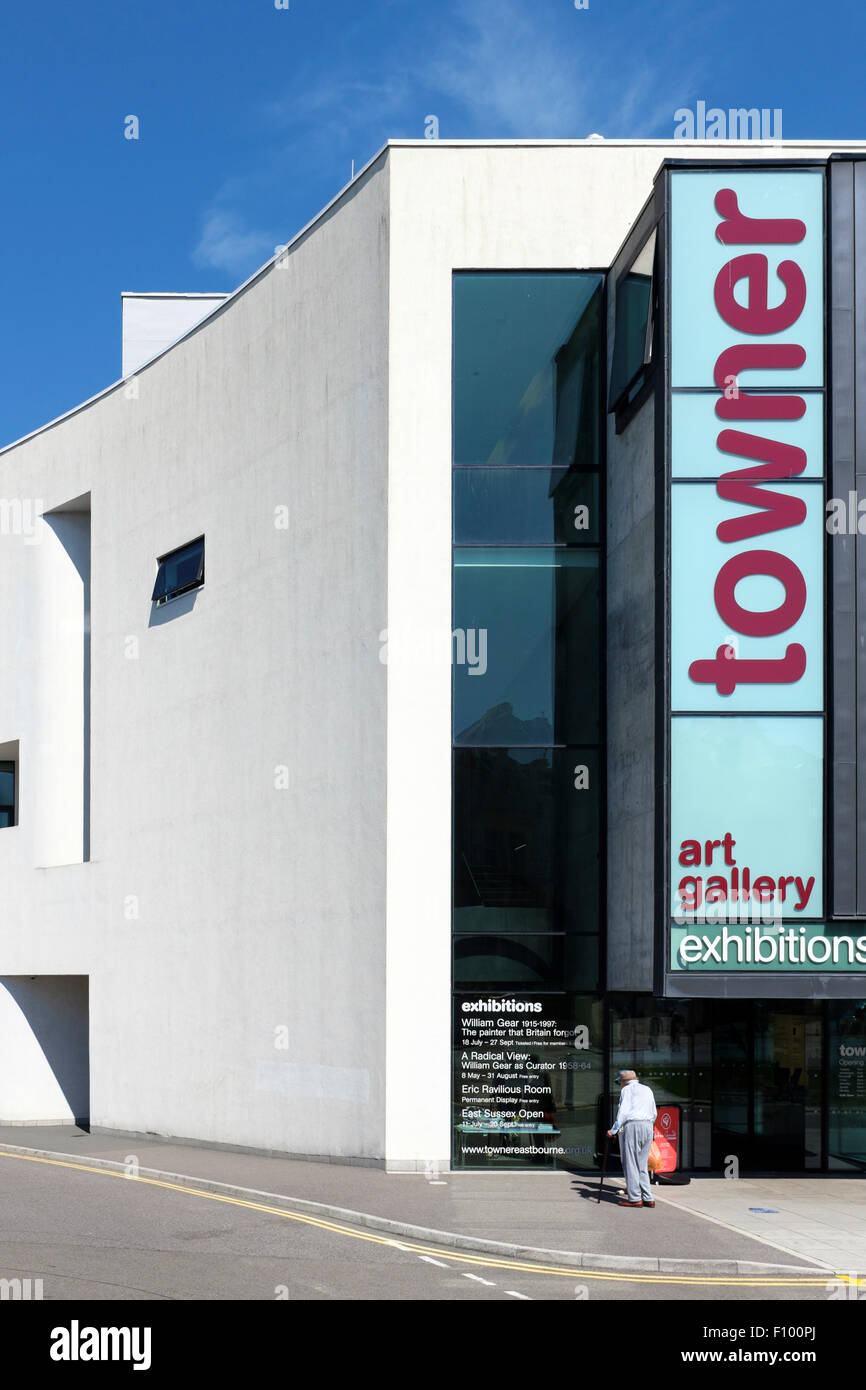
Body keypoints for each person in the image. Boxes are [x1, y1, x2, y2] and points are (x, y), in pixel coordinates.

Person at [607, 1068, 657, 1208]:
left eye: (620, 1082)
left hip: (633, 1125)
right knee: (641, 1164)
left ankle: (635, 1198)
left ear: (624, 1081)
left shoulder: (627, 1090)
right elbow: (654, 1112)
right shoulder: (647, 1089)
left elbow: (623, 1111)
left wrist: (614, 1130)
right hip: (648, 1126)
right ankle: (648, 1197)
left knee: (630, 1163)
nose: (620, 1085)